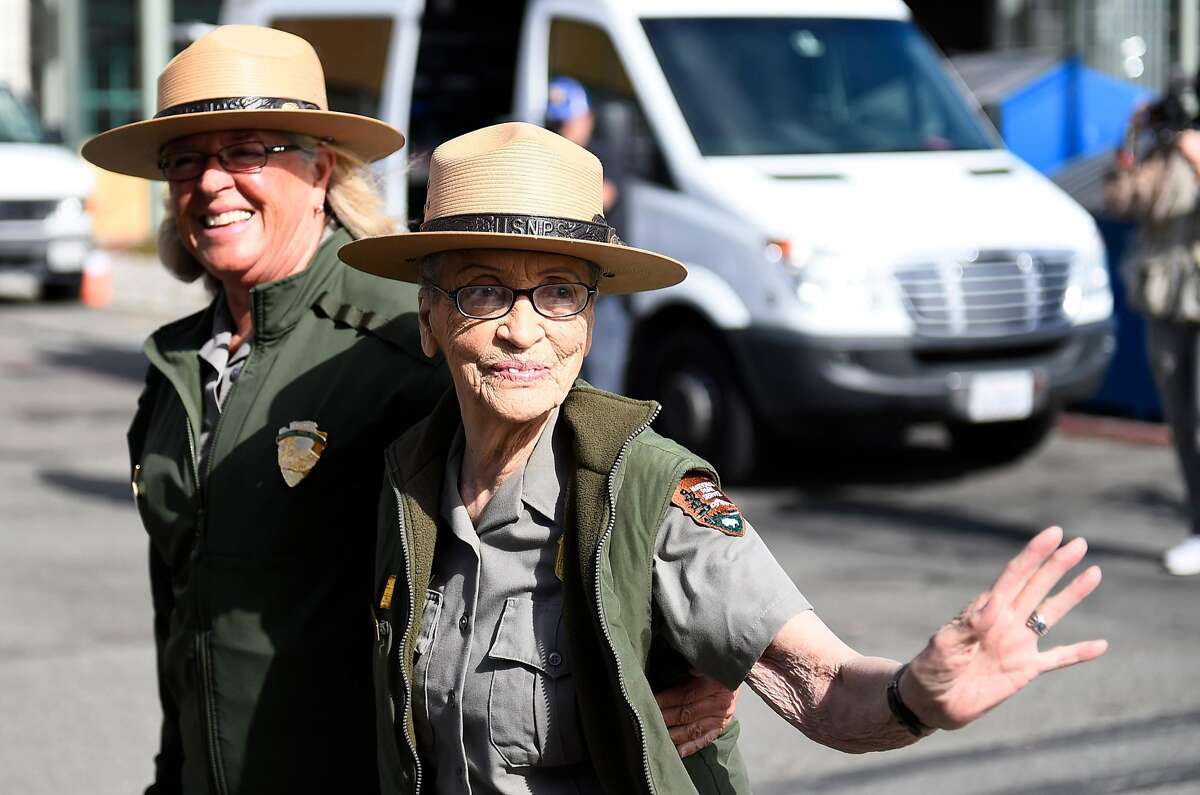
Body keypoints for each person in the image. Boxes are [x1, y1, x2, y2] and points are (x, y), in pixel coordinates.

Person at [340, 122, 1108, 793]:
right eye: (482, 292)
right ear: (432, 319)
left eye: (558, 292)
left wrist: (914, 696)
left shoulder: (649, 494)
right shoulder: (409, 479)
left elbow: (821, 684)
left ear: (590, 323)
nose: (521, 329)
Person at [81, 27, 727, 795]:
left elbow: (590, 455)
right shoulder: (177, 366)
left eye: (247, 150)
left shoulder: (406, 332)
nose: (212, 181)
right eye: (185, 159)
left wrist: (697, 646)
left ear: (318, 168)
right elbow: (180, 615)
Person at [1107, 71, 1200, 576]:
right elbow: (1122, 200)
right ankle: (1198, 526)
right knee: (1182, 420)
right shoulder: (1160, 149)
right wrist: (1134, 135)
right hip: (1165, 297)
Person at [545, 76, 633, 394]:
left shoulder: (601, 154)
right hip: (563, 277)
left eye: (569, 122)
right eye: (558, 123)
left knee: (604, 376)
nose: (563, 130)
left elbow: (604, 195)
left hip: (604, 278)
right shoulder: (554, 154)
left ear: (589, 119)